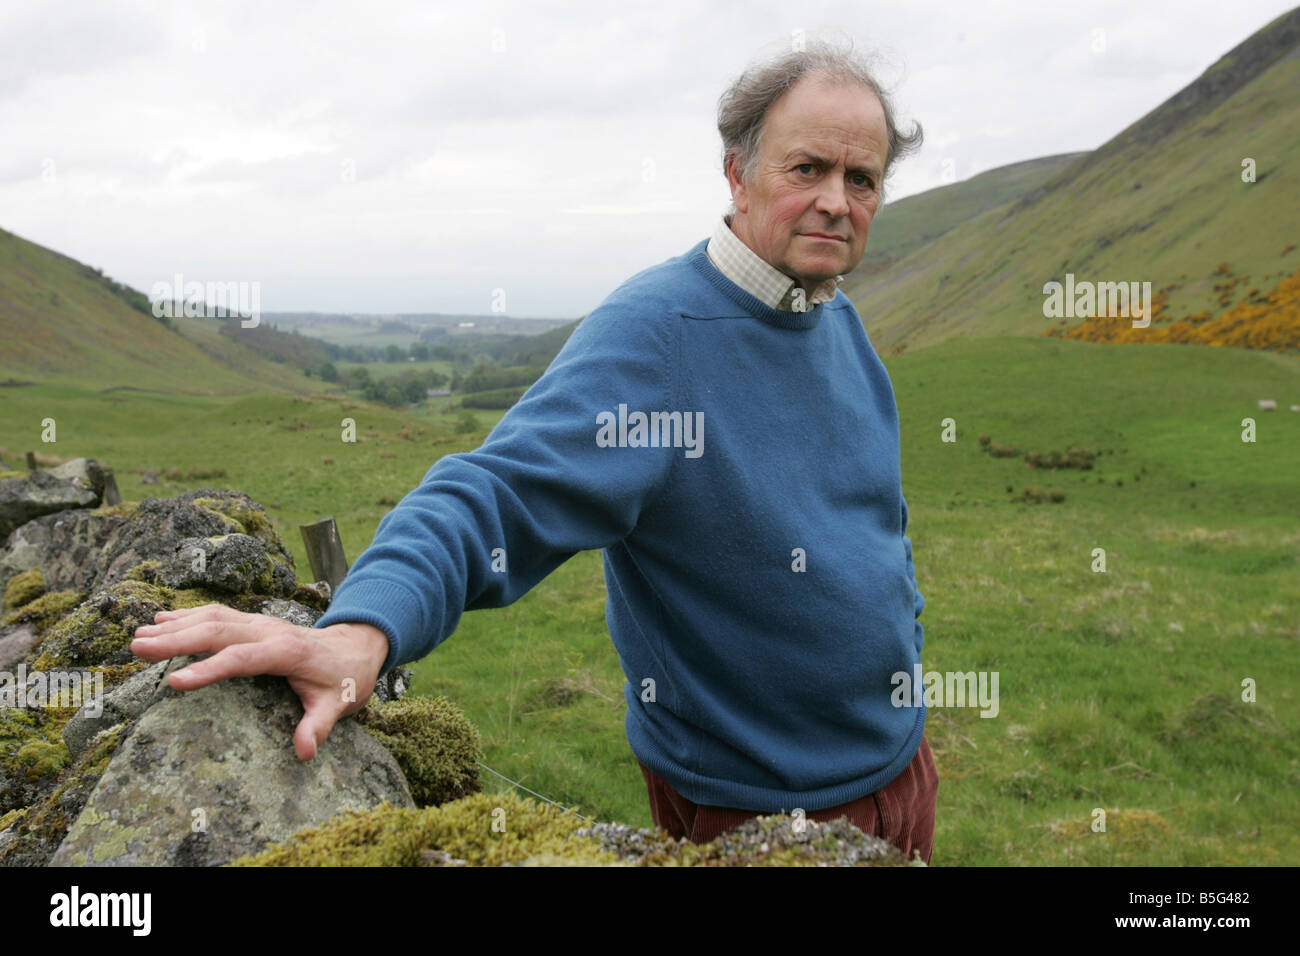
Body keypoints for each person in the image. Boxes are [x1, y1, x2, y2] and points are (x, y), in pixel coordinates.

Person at [131, 37, 937, 862]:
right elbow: (494, 496)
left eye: (862, 178)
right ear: (738, 173)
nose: (838, 201)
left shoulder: (834, 313)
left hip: (903, 770)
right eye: (808, 169)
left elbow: (874, 523)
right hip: (767, 811)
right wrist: (360, 632)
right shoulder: (660, 338)